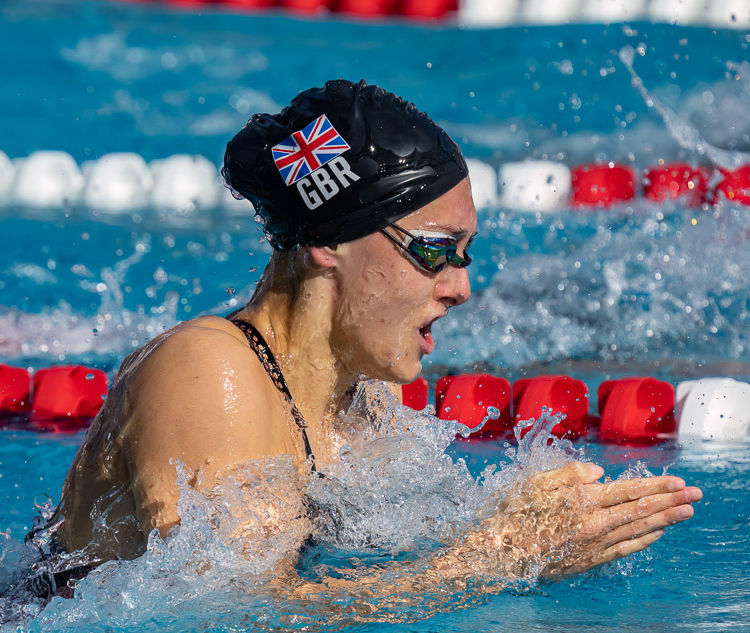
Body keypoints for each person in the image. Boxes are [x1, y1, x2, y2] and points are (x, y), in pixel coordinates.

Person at [42, 79, 700, 598]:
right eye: (438, 251)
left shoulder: (364, 404)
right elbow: (228, 614)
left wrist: (538, 523)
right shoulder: (210, 371)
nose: (460, 288)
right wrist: (496, 557)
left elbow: (357, 581)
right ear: (330, 240)